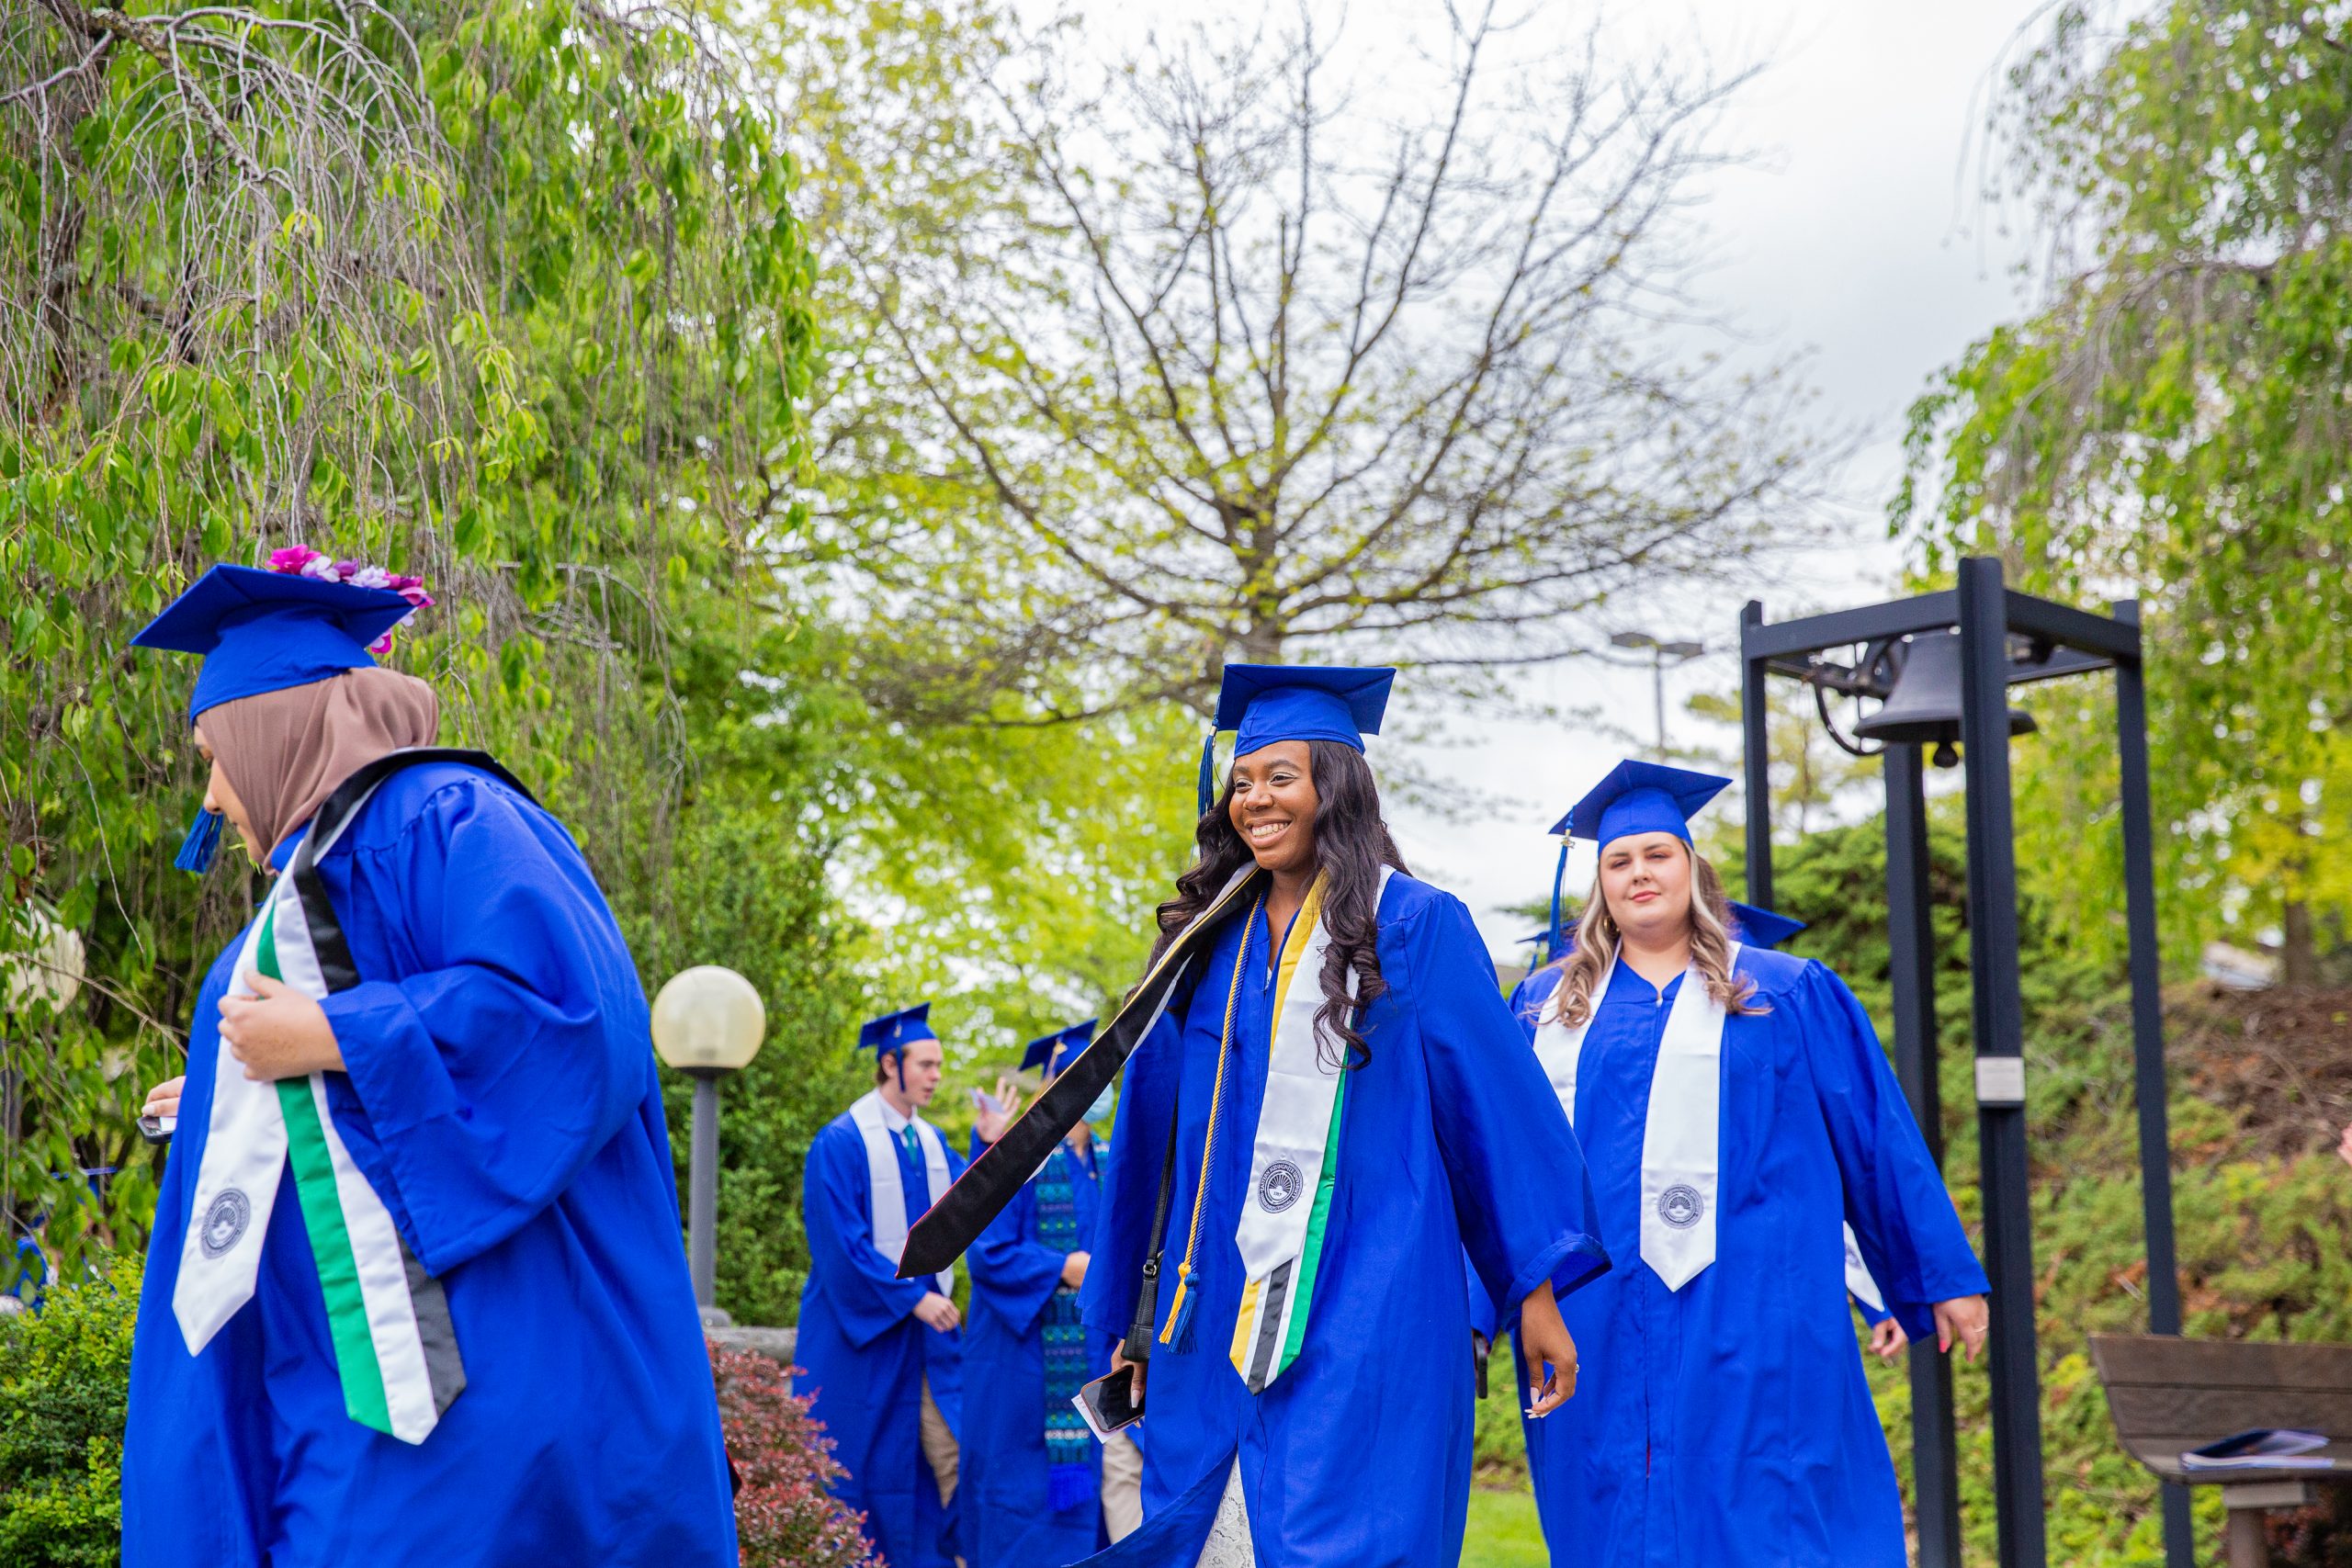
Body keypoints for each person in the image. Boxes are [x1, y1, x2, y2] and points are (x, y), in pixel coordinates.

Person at [120, 560, 733, 1566]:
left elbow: (572, 1016)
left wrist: (332, 1039)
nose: (214, 798)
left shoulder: (449, 819)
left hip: (472, 1396)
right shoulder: (305, 892)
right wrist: (237, 1106)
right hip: (327, 1403)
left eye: (215, 756)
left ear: (274, 732)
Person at [1077, 664, 1609, 1568]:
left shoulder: (1416, 927)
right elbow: (1151, 1149)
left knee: (1355, 1538)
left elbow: (1496, 1120)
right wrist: (1132, 1325)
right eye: (1242, 783)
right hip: (1207, 1331)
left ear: (1337, 783)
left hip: (1372, 1312)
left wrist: (1537, 1297)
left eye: (1281, 777)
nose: (1256, 799)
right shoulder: (1202, 942)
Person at [1510, 759, 1989, 1568]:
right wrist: (1498, 1300)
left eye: (1656, 854)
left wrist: (1938, 1275)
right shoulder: (1546, 1008)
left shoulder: (1785, 991)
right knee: (1613, 1509)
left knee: (1766, 1510)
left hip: (1759, 1306)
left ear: (1692, 868)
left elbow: (1875, 1140)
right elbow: (1506, 1164)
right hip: (1597, 1315)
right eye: (1618, 861)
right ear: (1600, 883)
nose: (1639, 874)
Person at [962, 1020, 1140, 1565]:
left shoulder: (1115, 1159)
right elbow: (987, 1252)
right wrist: (1063, 1267)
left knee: (1109, 1494)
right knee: (1029, 1497)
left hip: (1100, 1353)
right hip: (1030, 1363)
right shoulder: (1020, 1158)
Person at [798, 1003, 967, 1568]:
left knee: (927, 1464)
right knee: (856, 1463)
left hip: (920, 1340)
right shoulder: (841, 1142)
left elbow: (976, 1203)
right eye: (926, 1064)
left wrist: (994, 1145)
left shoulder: (934, 1143)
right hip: (859, 1337)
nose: (936, 1075)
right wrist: (912, 1297)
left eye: (939, 1064)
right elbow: (839, 1248)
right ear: (890, 1064)